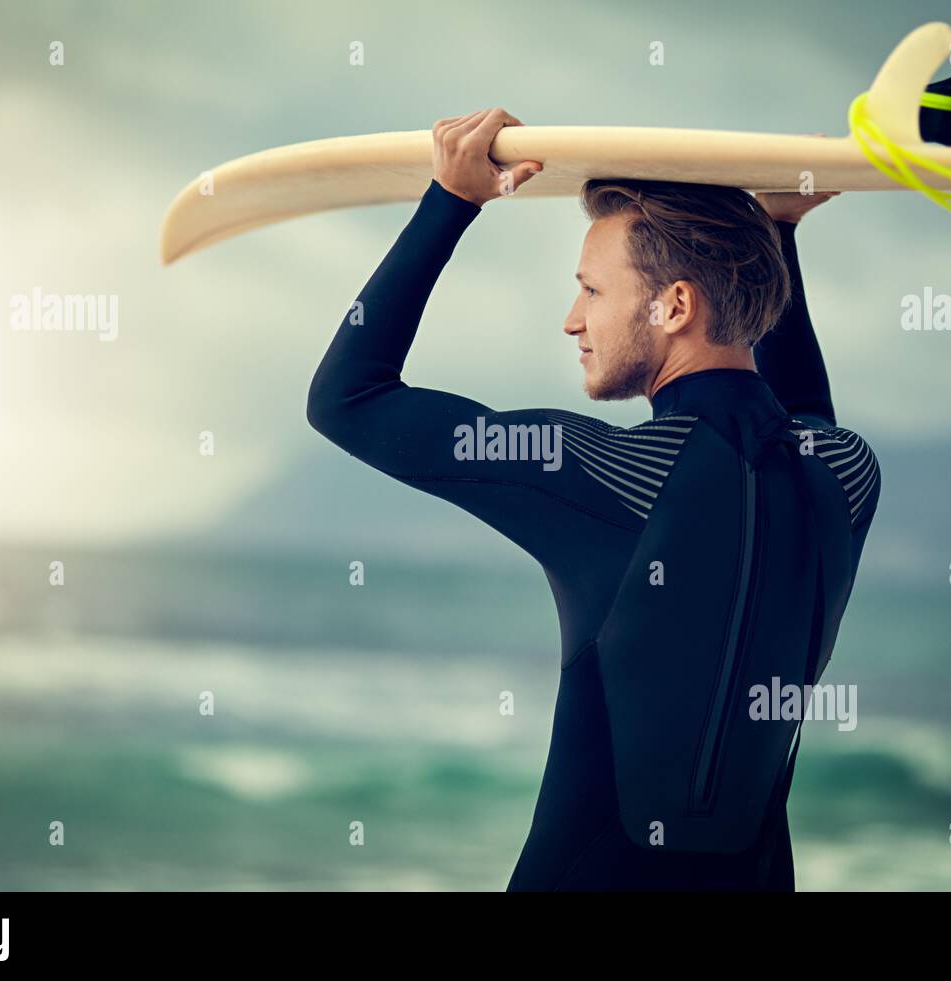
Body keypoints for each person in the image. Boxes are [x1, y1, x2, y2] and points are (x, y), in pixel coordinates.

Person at [307, 108, 880, 890]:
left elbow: (348, 397)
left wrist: (451, 199)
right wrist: (776, 230)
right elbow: (802, 416)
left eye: (591, 289)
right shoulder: (844, 476)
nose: (572, 319)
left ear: (673, 306)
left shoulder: (608, 472)